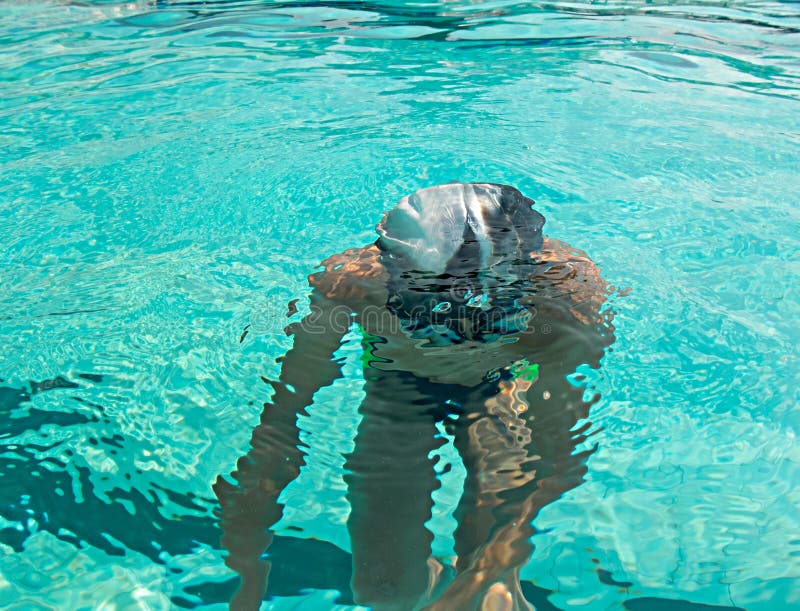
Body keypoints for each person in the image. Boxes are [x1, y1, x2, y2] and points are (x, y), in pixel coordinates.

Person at [213, 183, 615, 610]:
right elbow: (287, 407)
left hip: (502, 384)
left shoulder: (566, 295)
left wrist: (491, 564)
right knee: (384, 590)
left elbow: (560, 446)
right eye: (429, 305)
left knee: (491, 583)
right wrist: (257, 492)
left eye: (475, 310)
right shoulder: (351, 283)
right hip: (398, 382)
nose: (454, 333)